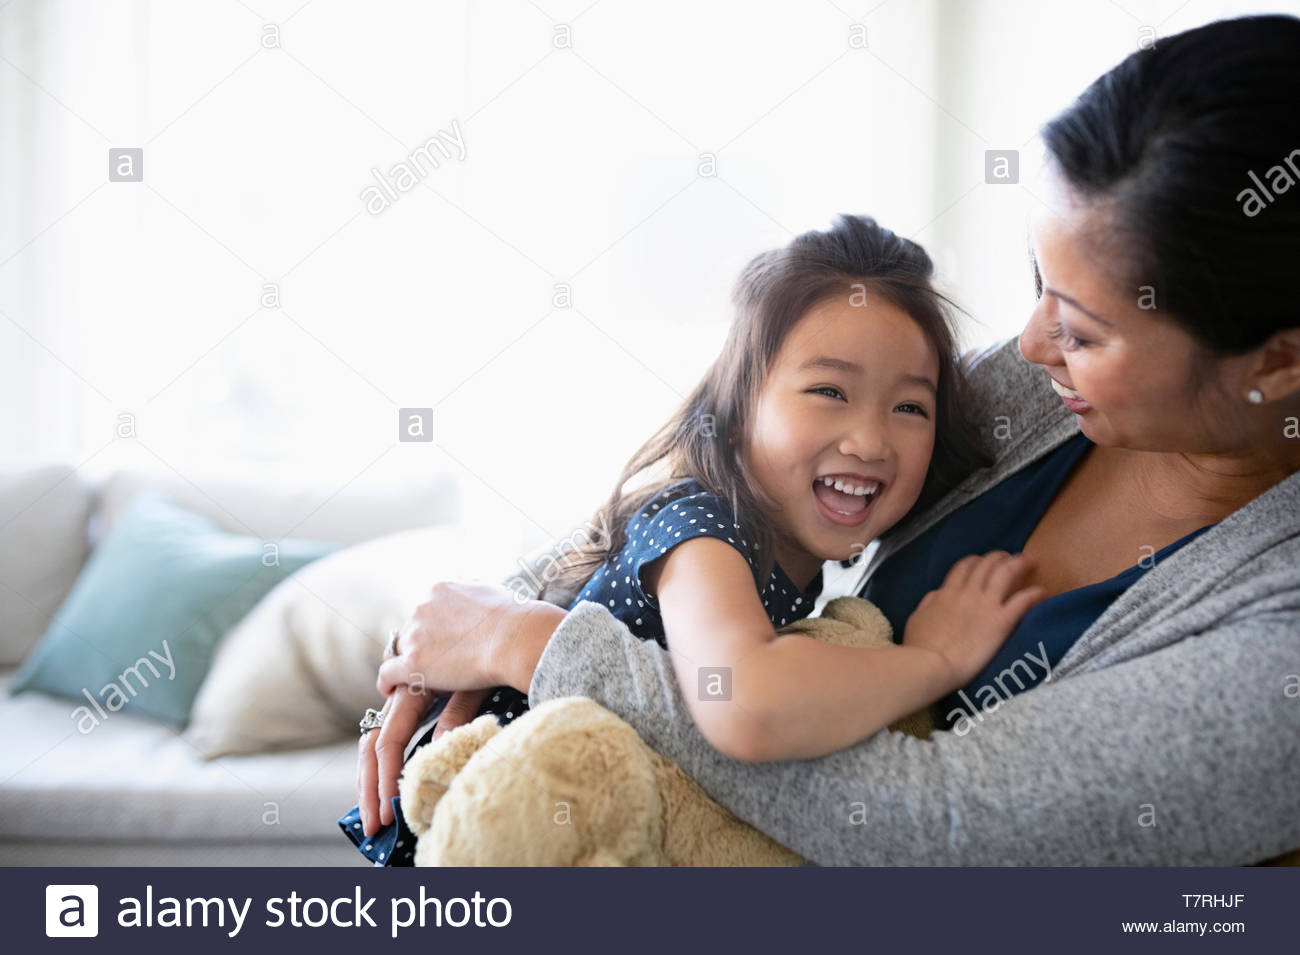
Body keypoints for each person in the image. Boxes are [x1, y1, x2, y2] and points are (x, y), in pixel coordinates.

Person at [360, 15, 1300, 865]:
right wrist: (474, 632)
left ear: (1282, 362)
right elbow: (712, 484)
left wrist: (541, 650)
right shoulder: (1045, 394)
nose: (1028, 342)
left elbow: (934, 827)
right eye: (1035, 280)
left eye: (1085, 330)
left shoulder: (1277, 660)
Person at [341, 213, 1049, 864]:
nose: (870, 440)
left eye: (909, 406)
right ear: (738, 412)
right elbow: (746, 703)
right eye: (829, 392)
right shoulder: (703, 526)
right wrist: (936, 659)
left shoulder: (783, 559)